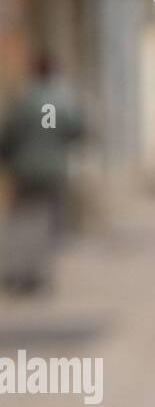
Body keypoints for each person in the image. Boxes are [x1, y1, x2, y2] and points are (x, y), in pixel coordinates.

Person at [0, 53, 85, 293]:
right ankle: (39, 275)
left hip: (24, 170)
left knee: (21, 221)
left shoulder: (23, 101)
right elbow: (76, 130)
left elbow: (7, 136)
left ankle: (17, 273)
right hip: (53, 171)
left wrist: (8, 159)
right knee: (47, 222)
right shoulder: (61, 100)